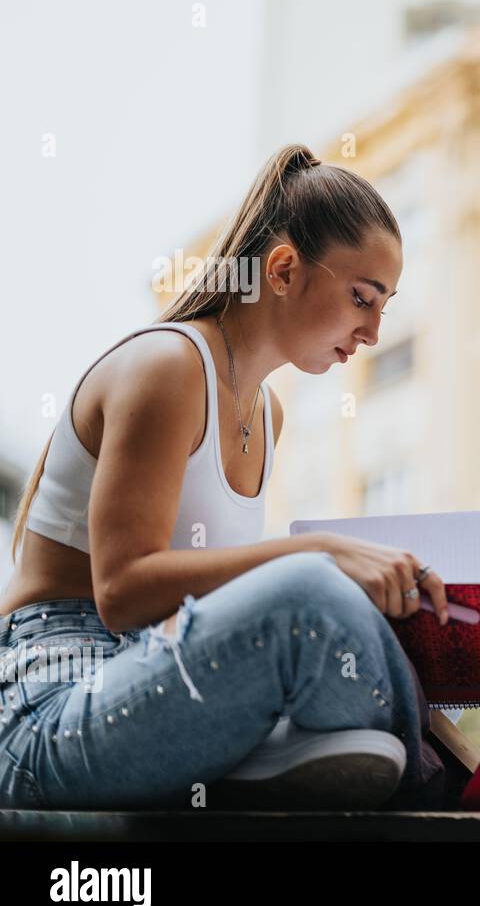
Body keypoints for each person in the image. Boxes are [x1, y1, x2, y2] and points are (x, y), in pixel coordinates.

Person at [0, 144, 451, 811]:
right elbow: (123, 592)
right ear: (284, 268)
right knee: (311, 593)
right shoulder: (168, 365)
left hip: (152, 676)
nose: (374, 332)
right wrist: (319, 553)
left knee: (382, 627)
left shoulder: (266, 412)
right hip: (50, 705)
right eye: (363, 298)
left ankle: (432, 767)